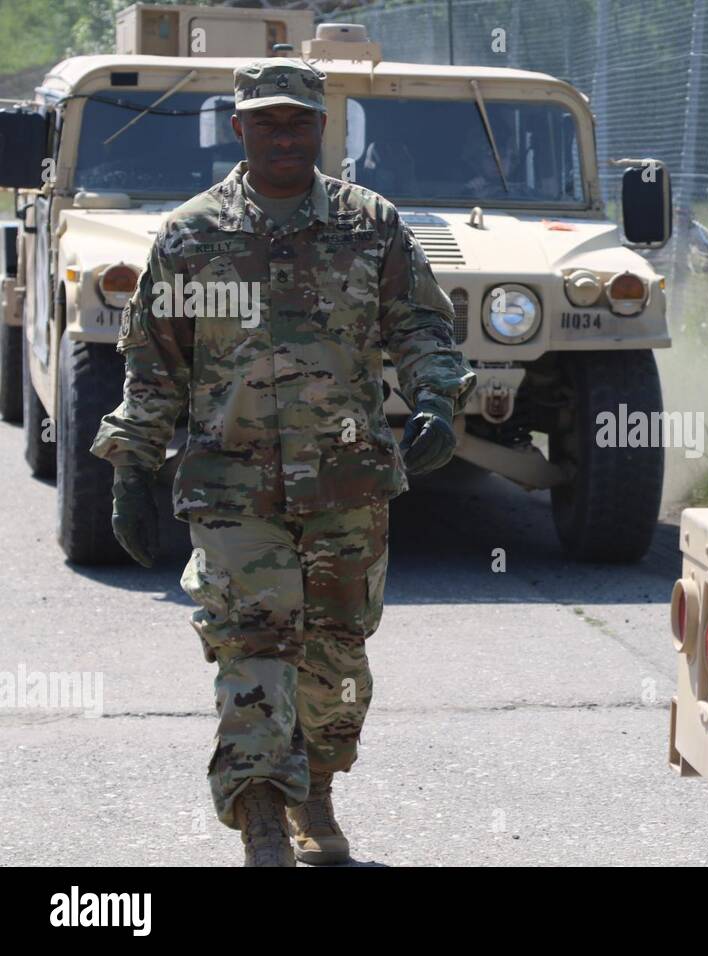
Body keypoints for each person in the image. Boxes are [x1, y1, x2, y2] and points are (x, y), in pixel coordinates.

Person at [89, 59, 476, 866]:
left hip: (348, 486)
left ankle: (317, 793)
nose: (283, 136)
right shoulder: (192, 236)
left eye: (297, 121)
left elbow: (421, 329)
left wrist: (437, 400)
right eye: (266, 122)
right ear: (239, 129)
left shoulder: (372, 226)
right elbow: (155, 364)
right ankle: (262, 815)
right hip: (232, 489)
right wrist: (130, 468)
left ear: (321, 128)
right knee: (253, 644)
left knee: (337, 652)